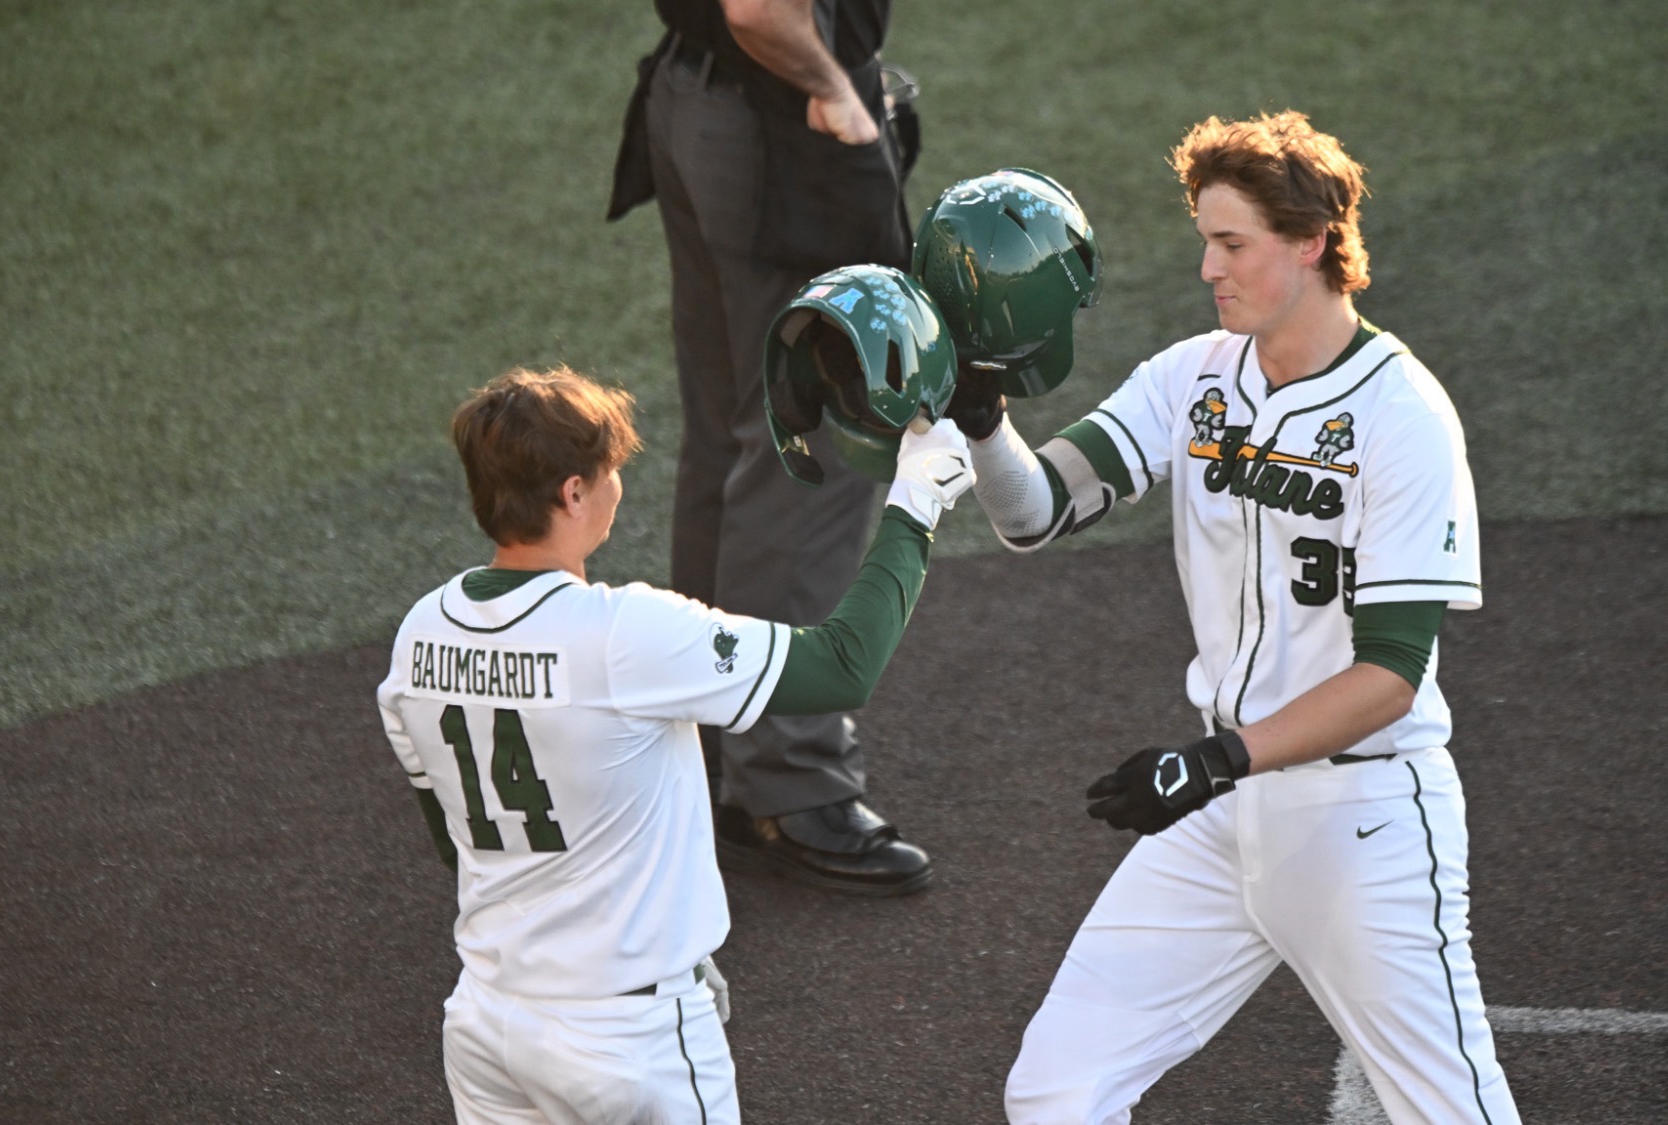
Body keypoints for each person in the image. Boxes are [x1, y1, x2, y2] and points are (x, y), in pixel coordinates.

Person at [947, 112, 1521, 1124]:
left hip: (1360, 822)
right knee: (1055, 1093)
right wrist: (984, 421)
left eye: (1230, 244)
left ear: (1308, 243)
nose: (1207, 269)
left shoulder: (1401, 418)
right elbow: (1035, 514)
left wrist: (1211, 763)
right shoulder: (1192, 377)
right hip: (1219, 817)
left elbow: (1388, 676)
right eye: (1203, 241)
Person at [375, 364, 972, 1124]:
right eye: (609, 473)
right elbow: (843, 665)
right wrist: (916, 502)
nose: (618, 487)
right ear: (572, 493)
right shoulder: (625, 632)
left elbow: (459, 844)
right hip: (626, 1039)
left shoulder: (420, 634)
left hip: (488, 1025)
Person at [605, 0, 930, 894]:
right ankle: (786, 778)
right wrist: (834, 87)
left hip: (694, 93)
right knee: (811, 446)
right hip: (777, 124)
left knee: (730, 436)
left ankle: (711, 739)